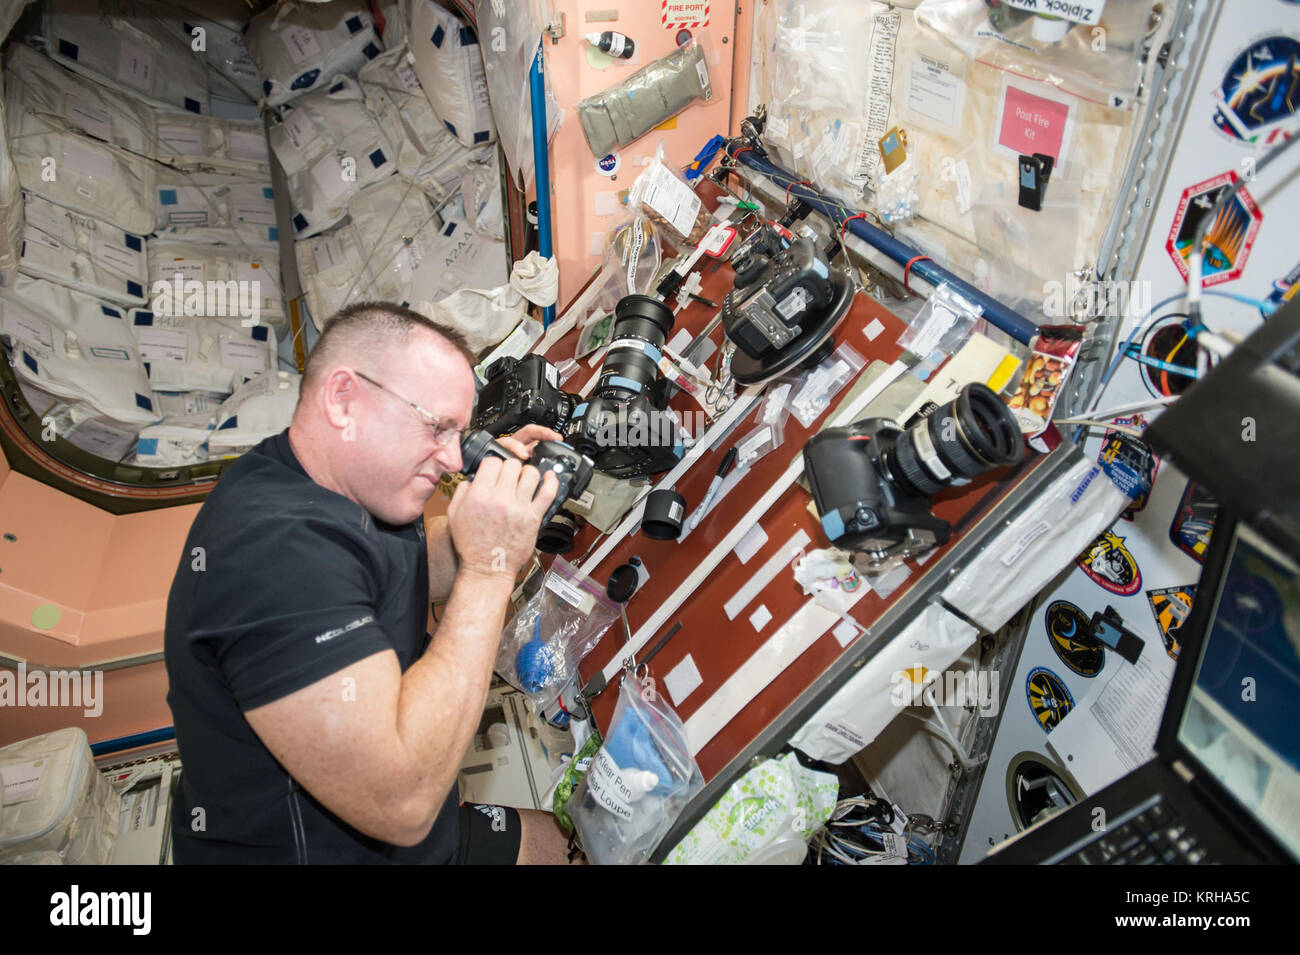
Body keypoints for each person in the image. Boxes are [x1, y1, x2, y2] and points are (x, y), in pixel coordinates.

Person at [164, 302, 574, 864]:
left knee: (567, 843)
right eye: (438, 427)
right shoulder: (269, 556)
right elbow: (402, 802)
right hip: (361, 831)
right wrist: (490, 565)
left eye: (461, 433)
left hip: (411, 815)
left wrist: (504, 509)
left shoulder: (319, 477)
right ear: (343, 398)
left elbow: (402, 567)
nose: (455, 457)